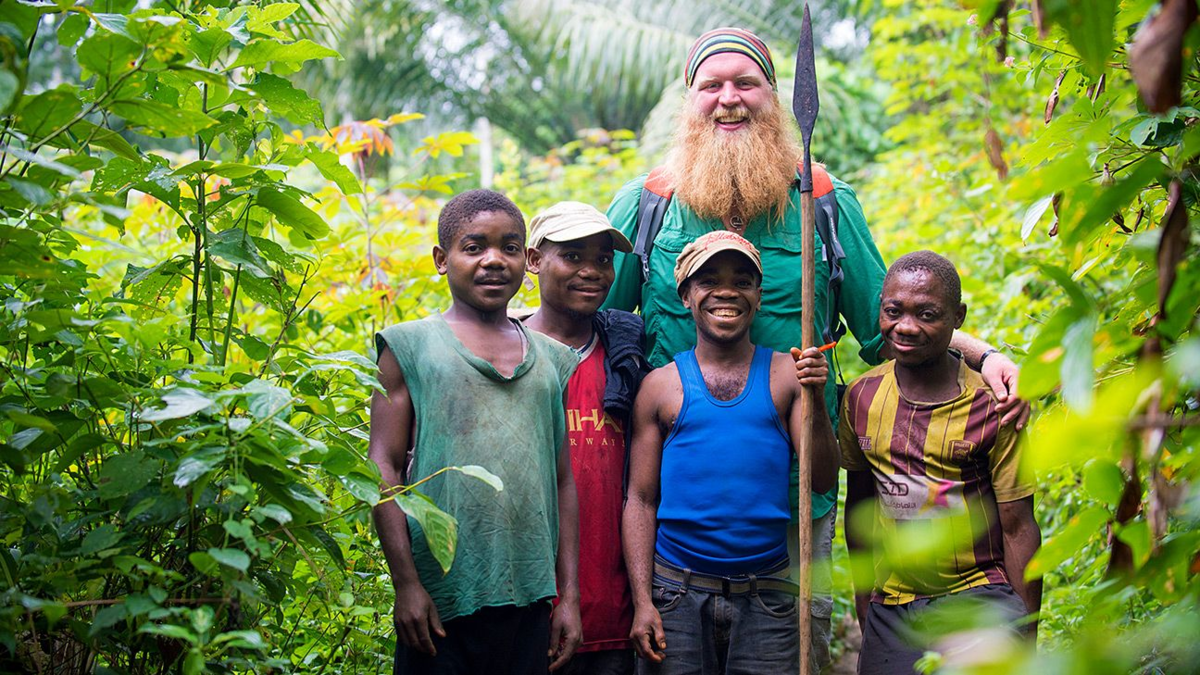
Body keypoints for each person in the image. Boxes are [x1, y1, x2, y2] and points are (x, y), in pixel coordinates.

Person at [601, 27, 1031, 667]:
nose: (729, 100)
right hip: (675, 499)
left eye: (746, 83)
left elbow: (885, 326)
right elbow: (597, 324)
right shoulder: (648, 207)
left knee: (789, 653)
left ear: (772, 99)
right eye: (710, 86)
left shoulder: (822, 201)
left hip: (801, 490)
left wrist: (982, 355)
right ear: (687, 99)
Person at [369, 189, 583, 674]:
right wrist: (406, 583)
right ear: (442, 260)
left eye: (509, 247)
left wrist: (567, 597)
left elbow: (563, 481)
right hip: (440, 601)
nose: (493, 260)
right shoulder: (410, 346)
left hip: (529, 597)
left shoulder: (550, 359)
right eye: (473, 247)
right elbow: (381, 466)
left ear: (527, 260)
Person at [623, 231, 838, 674]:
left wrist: (815, 395)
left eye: (742, 281)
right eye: (708, 281)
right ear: (685, 295)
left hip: (768, 595)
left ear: (759, 297)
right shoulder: (660, 386)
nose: (727, 292)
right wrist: (643, 601)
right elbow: (640, 500)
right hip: (675, 595)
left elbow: (822, 480)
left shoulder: (786, 375)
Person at [839, 251, 1042, 675]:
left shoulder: (993, 405)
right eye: (893, 311)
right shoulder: (861, 398)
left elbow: (1018, 526)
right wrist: (866, 604)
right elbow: (859, 507)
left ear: (958, 318)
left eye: (927, 314)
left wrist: (1025, 636)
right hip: (893, 604)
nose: (906, 327)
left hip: (979, 594)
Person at [522, 201, 651, 675]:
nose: (592, 272)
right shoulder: (506, 353)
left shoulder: (626, 360)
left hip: (611, 610)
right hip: (525, 609)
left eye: (602, 258)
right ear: (535, 261)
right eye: (572, 257)